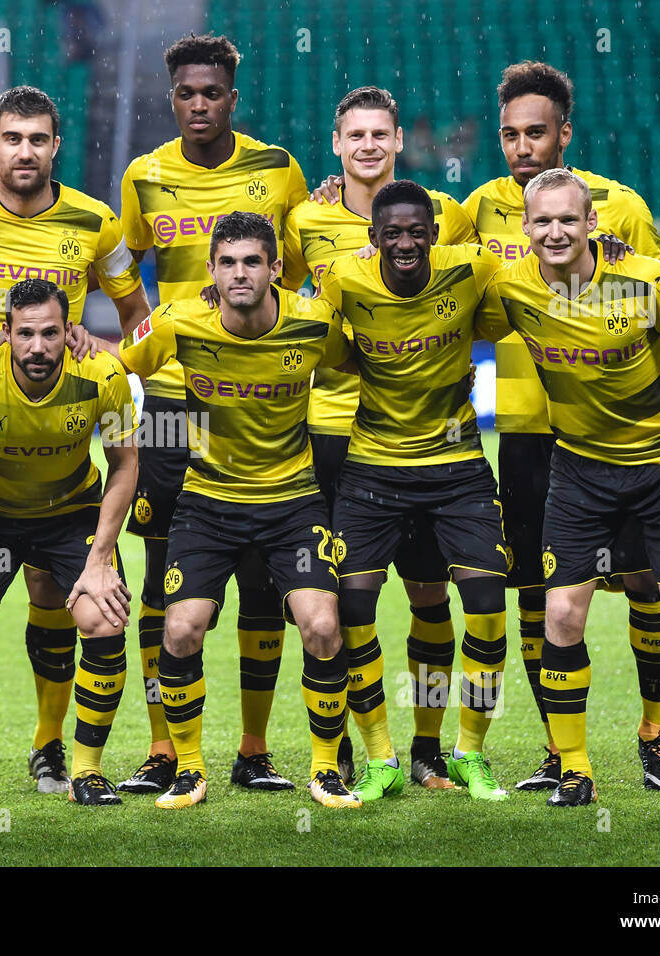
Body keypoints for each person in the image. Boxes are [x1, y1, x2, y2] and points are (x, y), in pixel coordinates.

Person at [0, 85, 149, 794]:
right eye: (13, 138)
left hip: (65, 443)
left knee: (57, 604)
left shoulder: (95, 222)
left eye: (38, 139)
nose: (25, 151)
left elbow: (138, 320)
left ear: (55, 147)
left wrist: (101, 357)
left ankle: (51, 750)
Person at [461, 61, 660, 792]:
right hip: (530, 432)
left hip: (626, 438)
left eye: (537, 132)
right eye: (510, 134)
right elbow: (410, 240)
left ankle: (655, 733)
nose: (522, 146)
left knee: (645, 585)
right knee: (539, 592)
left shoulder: (619, 206)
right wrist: (344, 191)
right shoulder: (477, 207)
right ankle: (562, 753)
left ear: (566, 132)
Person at [480, 168, 660, 807]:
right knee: (561, 613)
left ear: (593, 224)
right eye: (543, 221)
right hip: (580, 468)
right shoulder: (511, 288)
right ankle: (575, 768)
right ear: (526, 230)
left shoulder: (645, 282)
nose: (556, 231)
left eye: (569, 219)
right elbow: (434, 288)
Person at [111, 211, 359, 810]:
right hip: (208, 501)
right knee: (180, 627)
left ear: (277, 269)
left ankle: (325, 770)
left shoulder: (313, 324)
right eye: (228, 262)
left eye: (253, 261)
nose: (240, 273)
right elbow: (116, 367)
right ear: (210, 272)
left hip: (293, 501)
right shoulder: (176, 322)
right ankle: (189, 771)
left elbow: (359, 364)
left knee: (323, 626)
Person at [116, 33, 310, 795]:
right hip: (170, 404)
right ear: (174, 99)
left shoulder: (276, 169)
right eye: (187, 94)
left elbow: (297, 269)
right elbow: (123, 270)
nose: (199, 105)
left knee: (263, 579)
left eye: (213, 93)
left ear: (234, 97)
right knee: (164, 580)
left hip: (259, 401)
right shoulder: (145, 176)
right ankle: (165, 748)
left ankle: (254, 749)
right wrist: (145, 335)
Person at [284, 85, 475, 793]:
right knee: (337, 605)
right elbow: (279, 306)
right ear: (336, 144)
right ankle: (348, 753)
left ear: (399, 142)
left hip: (423, 438)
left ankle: (426, 751)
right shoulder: (305, 218)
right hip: (331, 437)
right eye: (354, 134)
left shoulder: (443, 216)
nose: (367, 145)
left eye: (379, 134)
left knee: (430, 597)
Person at [319, 180, 512, 801]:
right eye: (392, 233)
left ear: (435, 234)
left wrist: (603, 247)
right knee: (353, 608)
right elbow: (318, 342)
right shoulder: (345, 280)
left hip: (457, 470)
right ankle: (380, 758)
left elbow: (545, 265)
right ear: (372, 239)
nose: (405, 243)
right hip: (371, 470)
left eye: (416, 231)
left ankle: (464, 753)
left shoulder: (471, 266)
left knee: (481, 603)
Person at [0, 278, 139, 811]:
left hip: (70, 513)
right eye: (25, 334)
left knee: (104, 618)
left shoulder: (103, 375)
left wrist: (99, 560)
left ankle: (79, 767)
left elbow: (126, 464)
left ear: (70, 331)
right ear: (6, 333)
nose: (38, 347)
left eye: (49, 333)